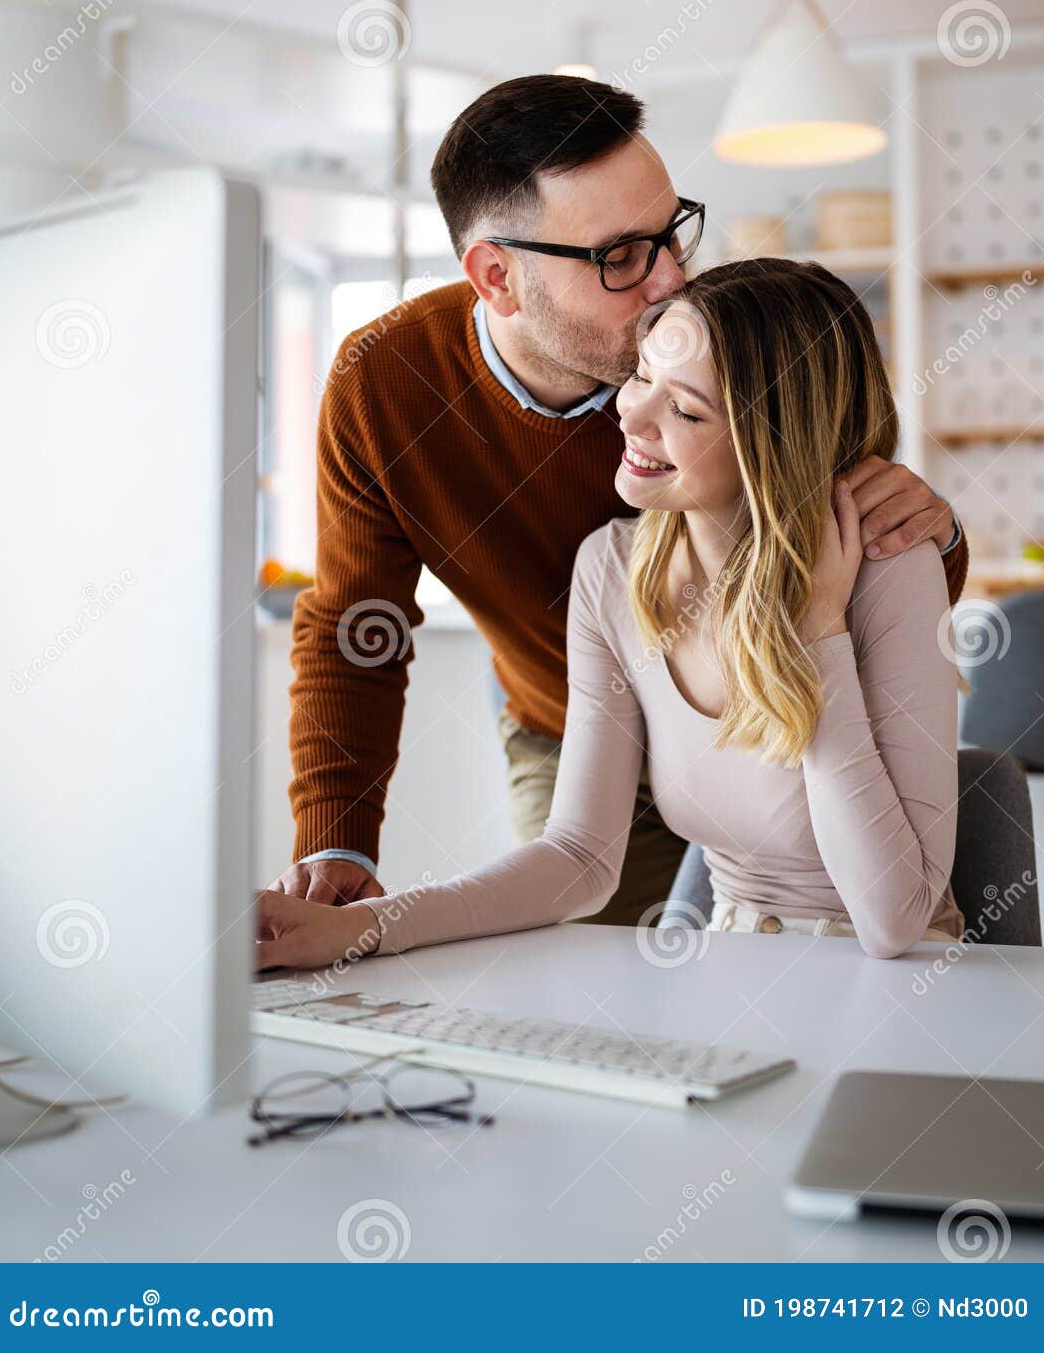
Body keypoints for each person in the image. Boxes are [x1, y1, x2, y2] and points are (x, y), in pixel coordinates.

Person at [272, 74, 968, 927]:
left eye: (671, 232)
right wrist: (337, 850)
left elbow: (844, 557)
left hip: (775, 718)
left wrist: (929, 536)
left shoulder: (696, 356)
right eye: (620, 255)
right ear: (497, 277)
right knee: (592, 983)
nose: (671, 279)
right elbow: (357, 626)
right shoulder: (382, 384)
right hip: (565, 724)